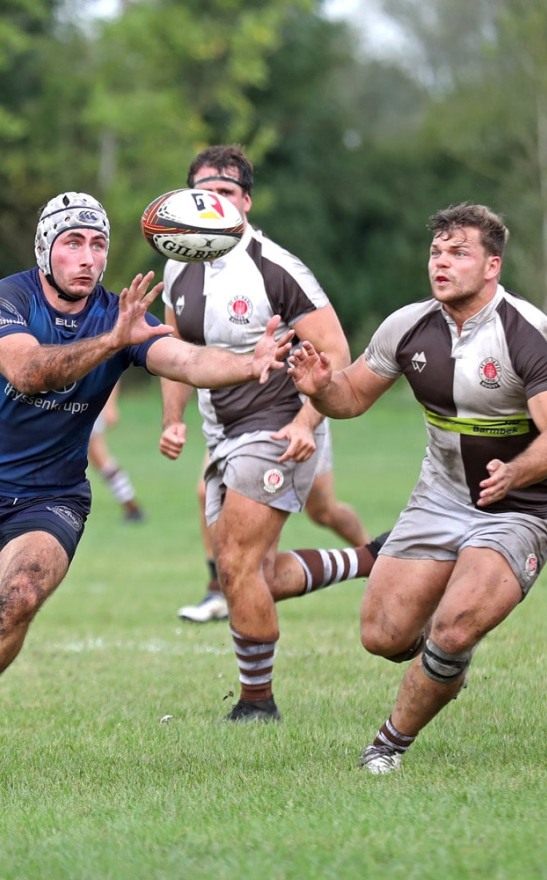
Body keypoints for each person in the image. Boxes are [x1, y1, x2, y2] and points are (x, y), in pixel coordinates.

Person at [0, 192, 293, 775]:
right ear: (45, 249)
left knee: (20, 597)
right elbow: (28, 372)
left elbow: (186, 360)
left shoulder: (121, 315)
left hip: (52, 497)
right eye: (73, 243)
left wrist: (248, 363)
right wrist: (114, 341)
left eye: (98, 244)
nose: (88, 257)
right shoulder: (7, 298)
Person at [289, 203, 547, 774]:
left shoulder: (528, 333)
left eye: (458, 253)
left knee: (451, 630)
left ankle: (387, 745)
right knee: (383, 636)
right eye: (436, 252)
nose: (441, 263)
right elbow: (351, 398)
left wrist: (517, 472)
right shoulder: (407, 326)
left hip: (518, 509)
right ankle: (448, 662)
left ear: (492, 266)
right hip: (440, 498)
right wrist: (321, 388)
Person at [157, 145, 384, 719]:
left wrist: (307, 421)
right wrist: (173, 419)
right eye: (203, 194)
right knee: (256, 573)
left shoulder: (275, 268)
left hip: (279, 425)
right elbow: (175, 352)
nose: (214, 203)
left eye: (226, 193)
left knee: (235, 563)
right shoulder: (178, 265)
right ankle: (371, 559)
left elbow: (336, 354)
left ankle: (257, 705)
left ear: (246, 202)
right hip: (222, 436)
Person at [176, 434, 371, 623]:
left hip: (291, 423)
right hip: (236, 421)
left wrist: (305, 423)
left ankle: (377, 557)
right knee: (208, 492)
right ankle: (218, 591)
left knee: (323, 512)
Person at [87, 380, 145, 523]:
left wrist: (110, 405)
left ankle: (132, 506)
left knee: (100, 458)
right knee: (100, 459)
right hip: (71, 405)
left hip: (83, 405)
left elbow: (110, 369)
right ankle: (131, 505)